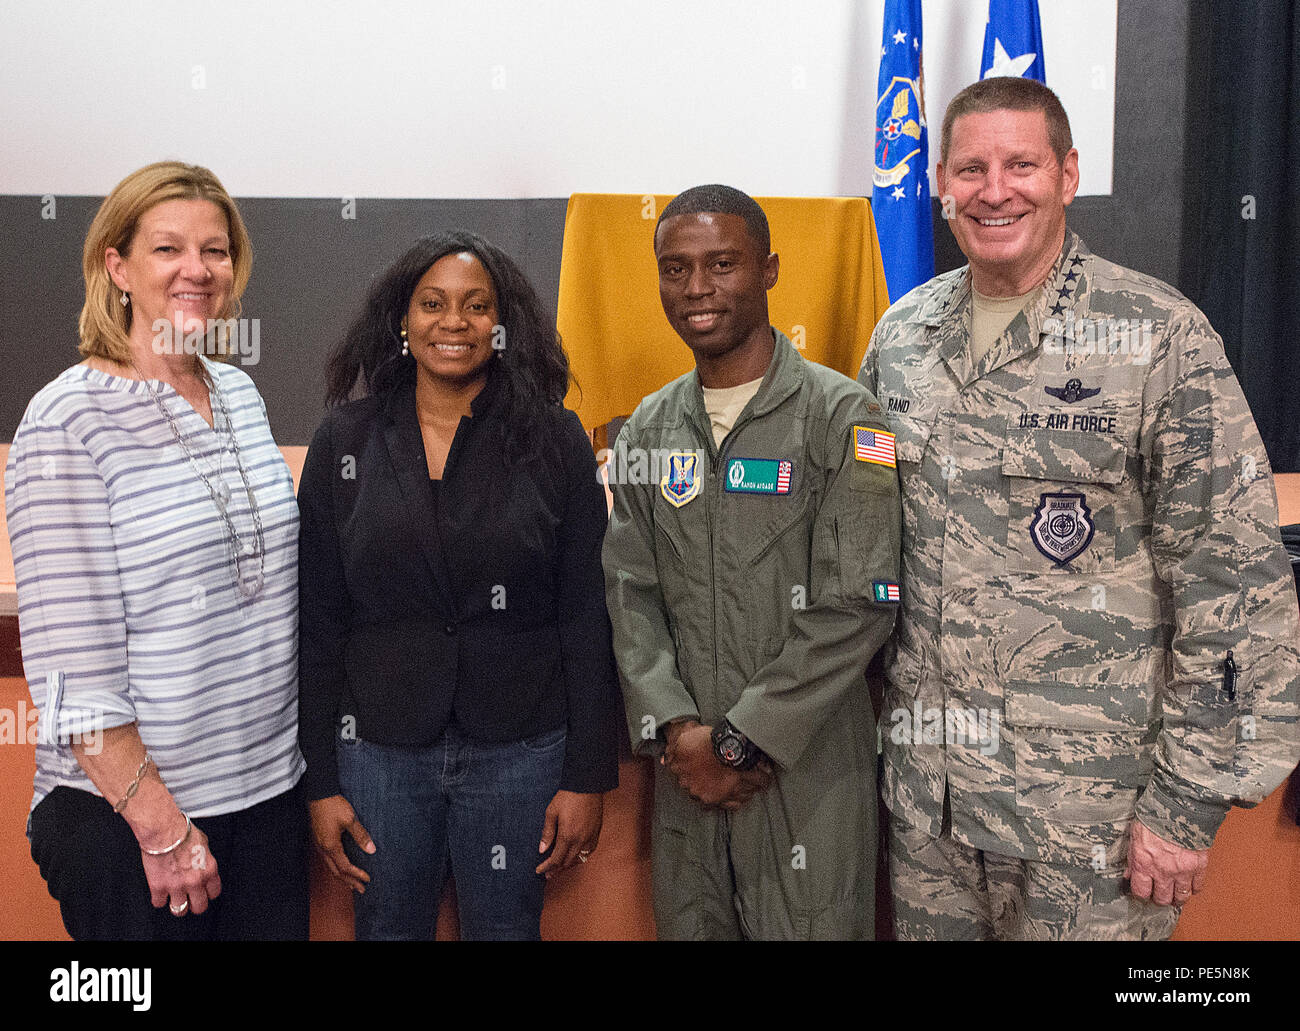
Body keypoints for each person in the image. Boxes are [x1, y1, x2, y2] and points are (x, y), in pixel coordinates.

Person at [859, 76, 1300, 940]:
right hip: (930, 810)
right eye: (972, 168)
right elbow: (872, 554)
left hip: (1087, 820)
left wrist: (1186, 804)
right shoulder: (901, 339)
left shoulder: (1157, 337)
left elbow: (1235, 584)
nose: (995, 190)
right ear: (942, 182)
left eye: (1021, 164)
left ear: (1066, 173)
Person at [5, 161, 307, 940]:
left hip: (264, 796)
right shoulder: (67, 420)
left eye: (216, 250)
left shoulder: (237, 394)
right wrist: (161, 829)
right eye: (168, 248)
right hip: (133, 821)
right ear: (117, 266)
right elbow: (73, 670)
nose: (197, 270)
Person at [297, 231, 619, 941]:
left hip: (522, 750)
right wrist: (319, 780)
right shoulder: (344, 441)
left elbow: (586, 614)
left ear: (503, 325)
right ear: (402, 321)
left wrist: (587, 773)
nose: (454, 322)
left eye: (477, 306)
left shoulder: (556, 439)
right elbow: (318, 623)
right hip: (378, 752)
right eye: (432, 304)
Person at [602, 185, 901, 939]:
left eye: (722, 264)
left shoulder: (842, 416)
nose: (696, 289)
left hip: (803, 773)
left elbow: (860, 601)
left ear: (769, 270)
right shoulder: (648, 426)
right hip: (688, 776)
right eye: (675, 269)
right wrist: (678, 730)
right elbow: (629, 589)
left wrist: (742, 740)